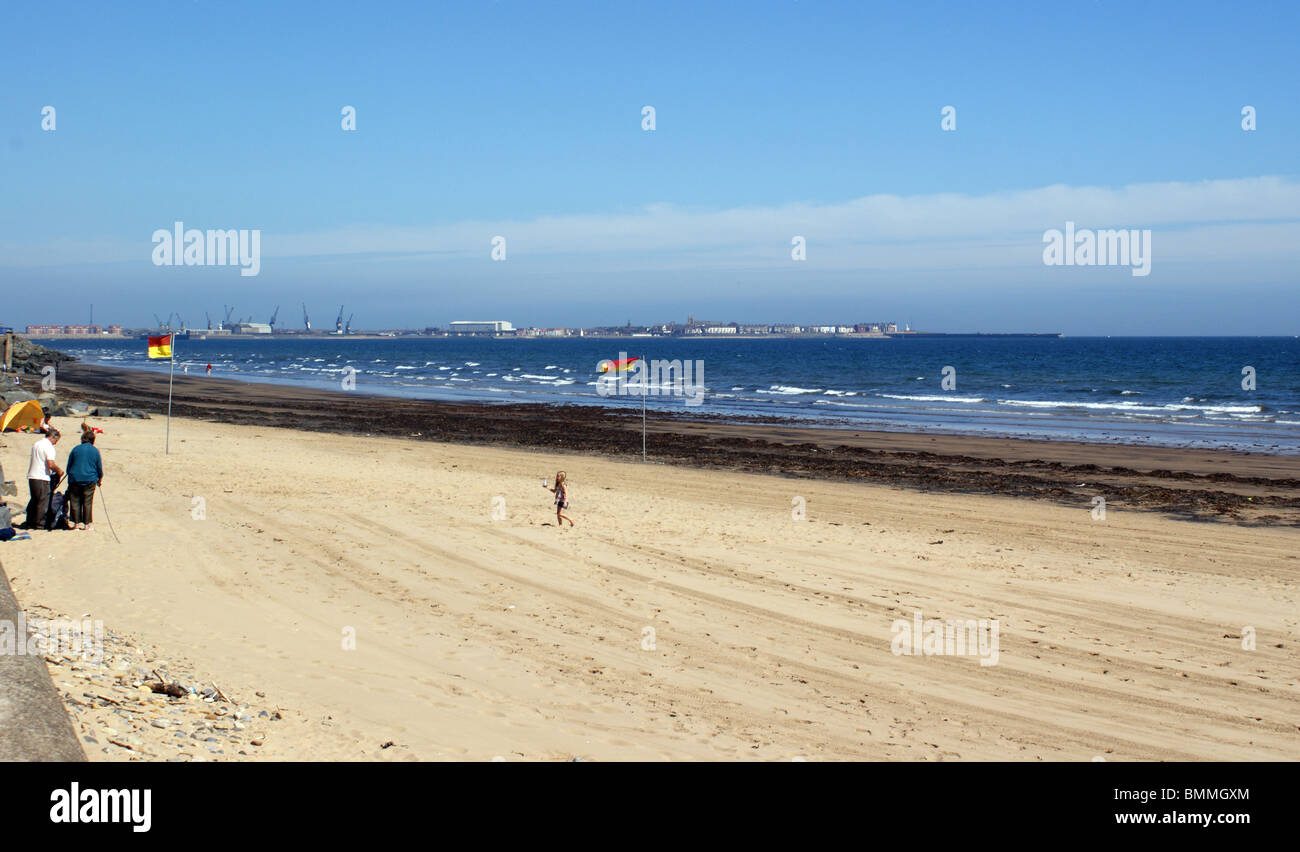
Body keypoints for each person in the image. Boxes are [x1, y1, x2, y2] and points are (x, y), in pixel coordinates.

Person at [66, 426, 103, 531]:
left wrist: (70, 474)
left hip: (75, 479)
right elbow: (99, 467)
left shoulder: (75, 449)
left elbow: (69, 465)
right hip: (90, 479)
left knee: (75, 501)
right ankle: (86, 525)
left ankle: (76, 524)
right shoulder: (95, 451)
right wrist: (100, 479)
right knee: (87, 502)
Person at [24, 427, 62, 530]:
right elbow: (50, 464)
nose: (55, 443)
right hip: (41, 477)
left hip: (32, 476)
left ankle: (30, 522)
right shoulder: (48, 446)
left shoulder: (37, 444)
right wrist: (59, 471)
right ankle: (39, 524)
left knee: (34, 500)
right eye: (56, 441)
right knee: (42, 501)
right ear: (53, 437)